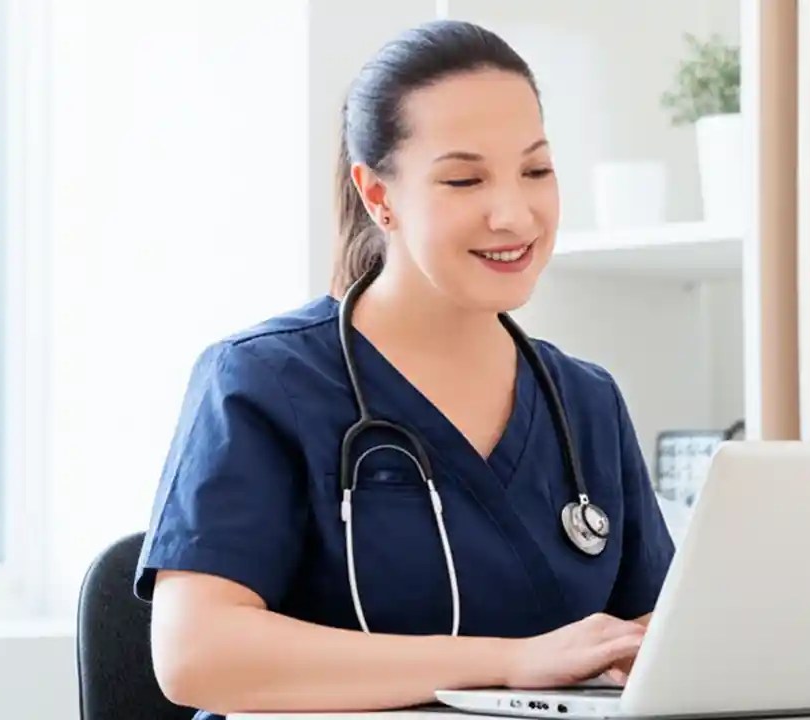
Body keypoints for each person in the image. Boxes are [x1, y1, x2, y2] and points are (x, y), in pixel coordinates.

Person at [133, 19, 675, 720]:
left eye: (536, 170)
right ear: (378, 196)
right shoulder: (262, 381)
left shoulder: (585, 401)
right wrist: (508, 663)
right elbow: (195, 655)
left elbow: (657, 634)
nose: (513, 213)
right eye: (463, 178)